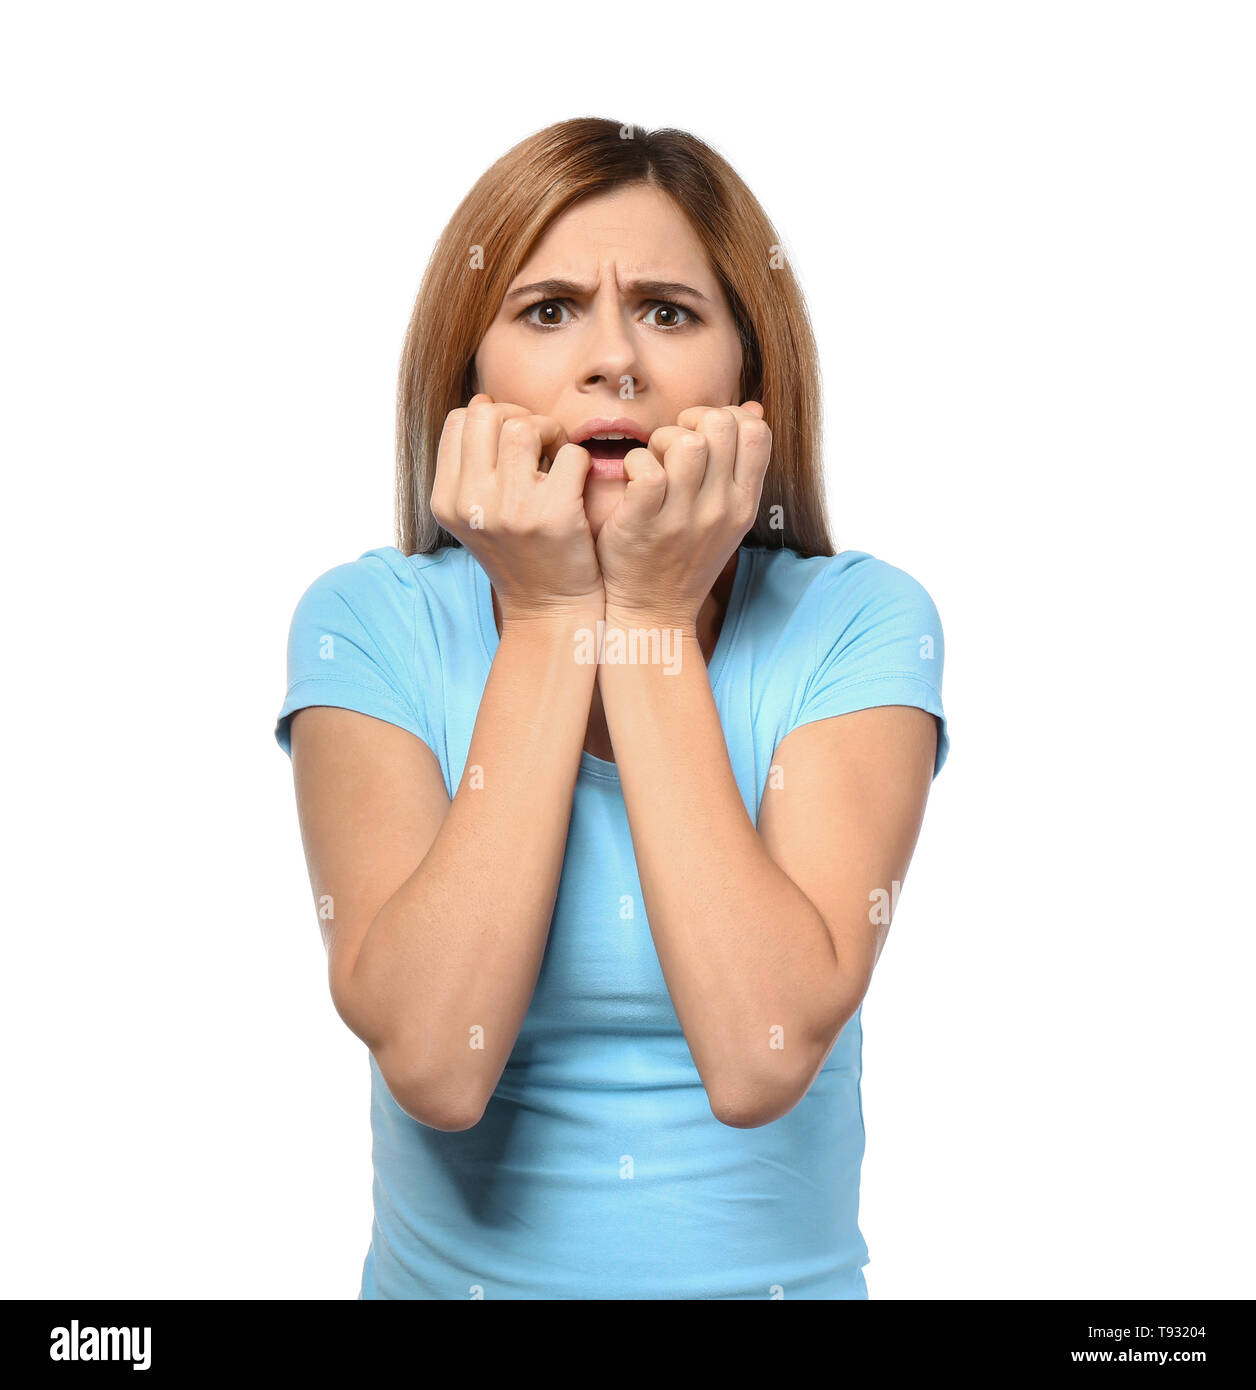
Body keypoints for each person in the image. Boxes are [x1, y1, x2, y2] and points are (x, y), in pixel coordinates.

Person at [274, 117, 950, 1299]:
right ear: (466, 377)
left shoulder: (859, 621)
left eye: (669, 312)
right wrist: (545, 623)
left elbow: (760, 1057)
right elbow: (435, 1063)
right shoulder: (366, 621)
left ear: (748, 376)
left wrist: (640, 609)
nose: (614, 362)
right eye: (545, 311)